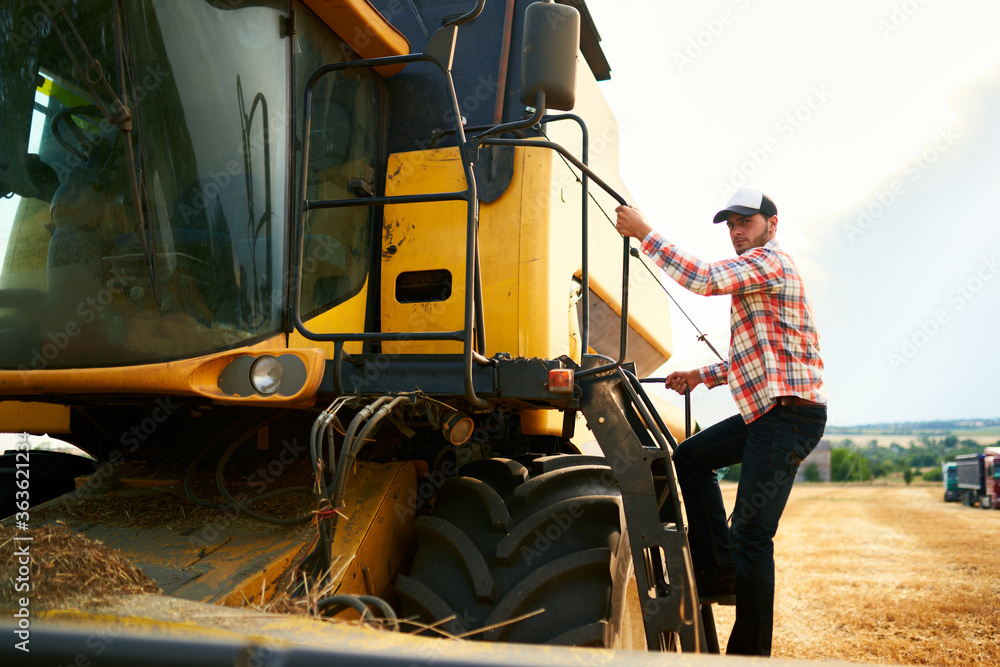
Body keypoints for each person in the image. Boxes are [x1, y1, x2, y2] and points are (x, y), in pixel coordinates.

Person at [615, 188, 827, 657]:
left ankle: (749, 655)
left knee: (752, 535)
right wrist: (701, 375)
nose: (736, 232)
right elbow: (758, 357)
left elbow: (705, 278)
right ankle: (718, 568)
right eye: (730, 225)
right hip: (767, 415)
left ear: (772, 224)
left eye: (745, 222)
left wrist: (644, 233)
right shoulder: (758, 277)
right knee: (690, 457)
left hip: (788, 417)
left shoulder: (771, 263)